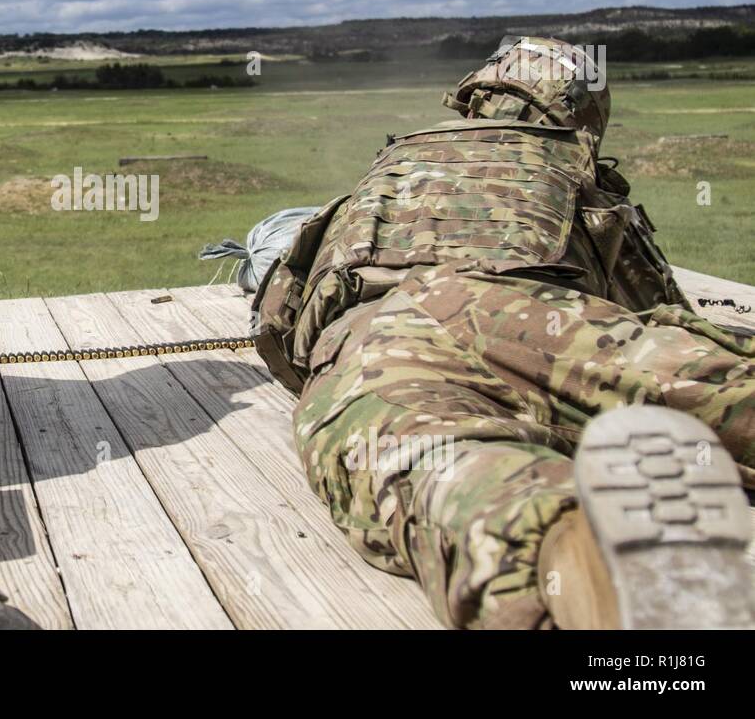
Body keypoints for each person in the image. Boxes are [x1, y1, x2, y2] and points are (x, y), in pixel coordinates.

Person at [254, 36, 755, 629]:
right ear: (580, 113)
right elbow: (655, 304)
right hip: (527, 316)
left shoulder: (383, 173)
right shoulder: (562, 161)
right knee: (715, 389)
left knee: (447, 478)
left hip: (372, 344)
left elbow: (280, 321)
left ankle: (565, 539)